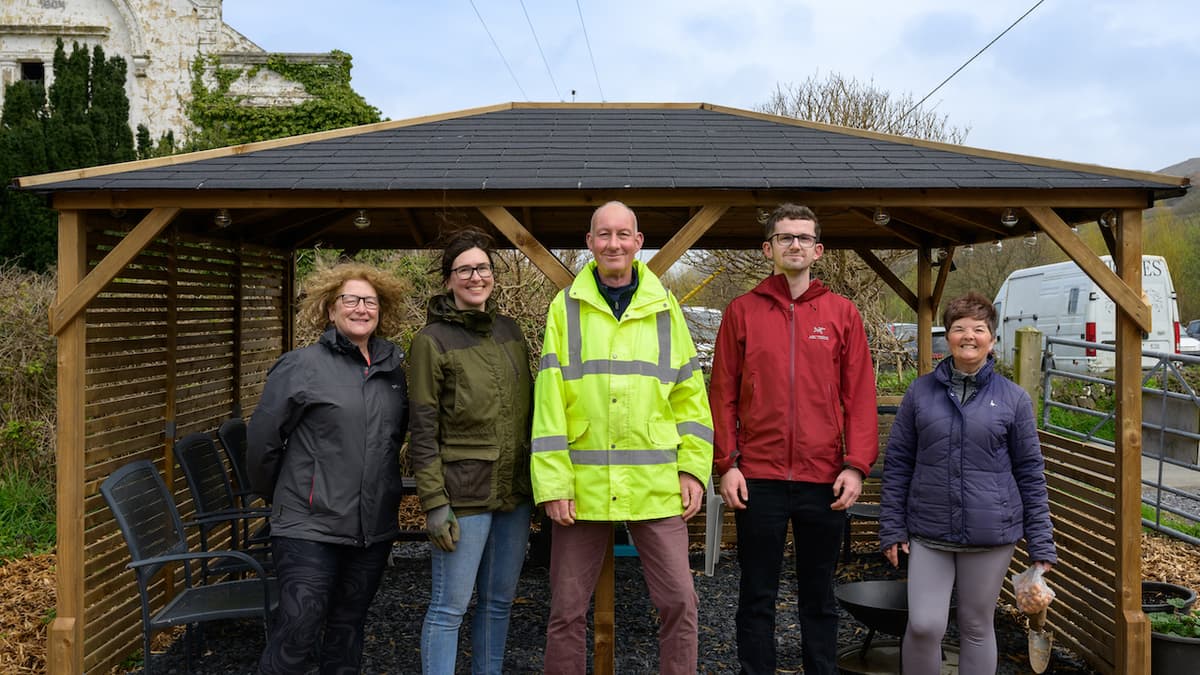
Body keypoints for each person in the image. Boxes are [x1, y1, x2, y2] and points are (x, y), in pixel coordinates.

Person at [530, 200, 714, 675]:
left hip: (655, 485)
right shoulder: (565, 307)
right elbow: (549, 401)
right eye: (603, 234)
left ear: (638, 241)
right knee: (565, 611)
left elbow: (691, 398)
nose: (613, 243)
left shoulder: (665, 307)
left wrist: (693, 468)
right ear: (589, 243)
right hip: (582, 488)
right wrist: (553, 485)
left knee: (681, 602)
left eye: (623, 234)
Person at [708, 203, 879, 675]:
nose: (795, 244)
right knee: (756, 593)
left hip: (823, 478)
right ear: (769, 249)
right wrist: (729, 464)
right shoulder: (742, 312)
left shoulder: (841, 313)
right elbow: (721, 394)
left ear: (818, 250)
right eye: (785, 237)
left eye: (803, 237)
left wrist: (855, 464)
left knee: (819, 594)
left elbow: (860, 395)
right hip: (756, 477)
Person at [878, 291, 1057, 674]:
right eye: (959, 328)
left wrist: (1041, 542)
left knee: (977, 626)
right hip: (929, 530)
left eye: (978, 329)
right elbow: (898, 462)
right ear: (948, 336)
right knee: (925, 625)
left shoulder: (1014, 399)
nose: (968, 336)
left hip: (991, 534)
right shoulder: (920, 392)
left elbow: (1030, 472)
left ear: (992, 339)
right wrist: (892, 527)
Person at [247, 261, 409, 674]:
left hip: (371, 531)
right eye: (350, 299)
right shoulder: (300, 366)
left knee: (347, 630)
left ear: (381, 310)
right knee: (297, 633)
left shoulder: (393, 371)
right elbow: (262, 444)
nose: (360, 308)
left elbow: (395, 439)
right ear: (329, 308)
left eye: (369, 301)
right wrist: (289, 497)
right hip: (309, 527)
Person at [408, 229, 534, 675]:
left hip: (513, 494)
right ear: (448, 280)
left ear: (494, 277)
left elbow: (527, 412)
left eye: (482, 268)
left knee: (498, 604)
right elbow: (422, 428)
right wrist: (434, 502)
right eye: (464, 269)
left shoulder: (510, 332)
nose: (475, 276)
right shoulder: (432, 341)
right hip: (463, 495)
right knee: (449, 608)